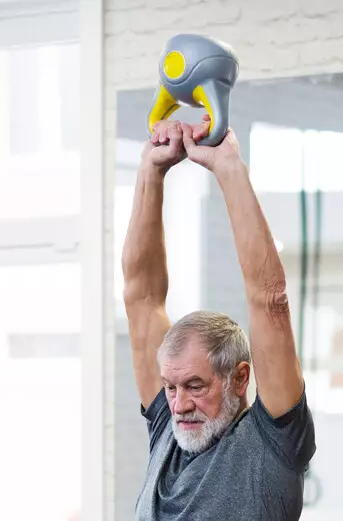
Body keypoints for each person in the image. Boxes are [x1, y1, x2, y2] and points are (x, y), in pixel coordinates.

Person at [123, 116, 316, 520]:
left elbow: (270, 300)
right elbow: (142, 297)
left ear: (240, 377)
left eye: (195, 385)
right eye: (171, 387)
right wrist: (151, 172)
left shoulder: (271, 446)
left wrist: (228, 167)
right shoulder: (168, 434)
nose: (178, 405)